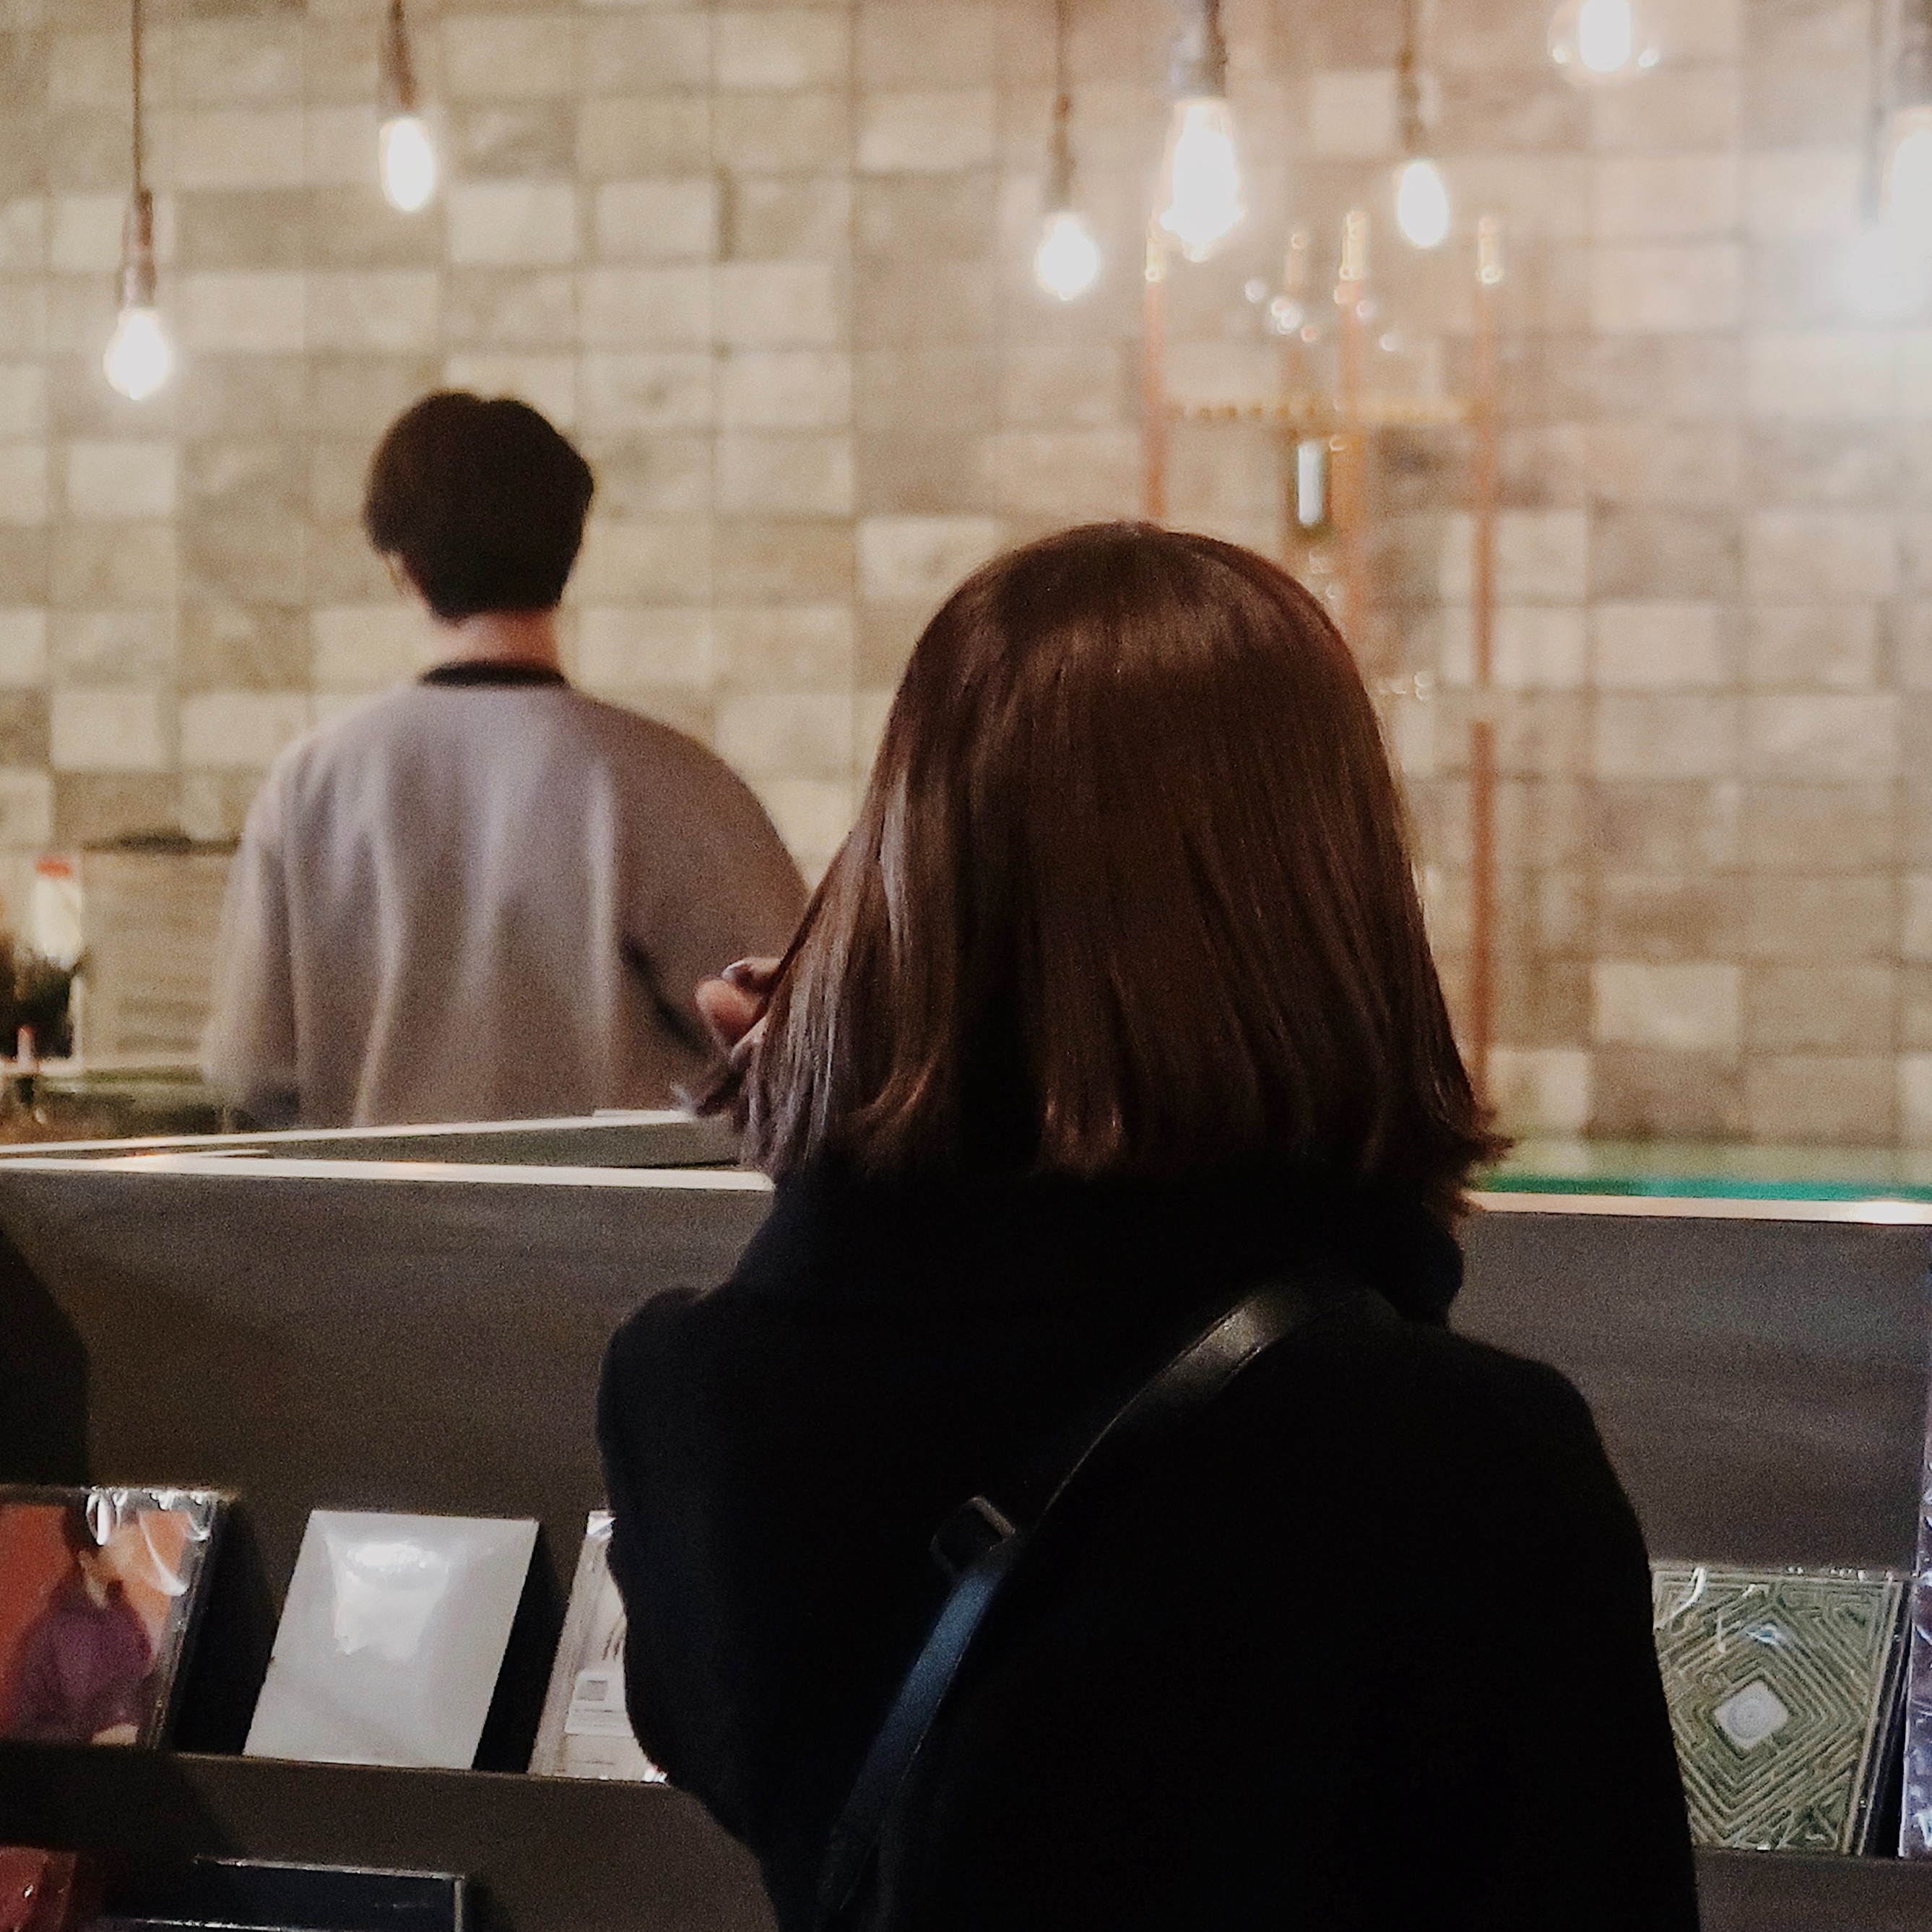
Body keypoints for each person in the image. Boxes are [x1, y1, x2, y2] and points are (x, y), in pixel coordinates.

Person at [597, 524, 1699, 1931]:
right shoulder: (1465, 1467)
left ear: (904, 871)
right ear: (1330, 893)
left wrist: (833, 1129)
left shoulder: (694, 1403)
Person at [204, 391, 805, 1128]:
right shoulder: (680, 785)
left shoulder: (309, 786)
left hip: (366, 1201)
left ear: (402, 565)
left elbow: (250, 1068)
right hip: (616, 1206)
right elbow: (802, 1039)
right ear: (570, 550)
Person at [1, 1504, 154, 1745]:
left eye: (134, 1541)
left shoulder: (129, 1620)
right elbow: (22, 1729)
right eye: (122, 1544)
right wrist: (90, 1741)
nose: (133, 1551)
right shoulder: (49, 1636)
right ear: (86, 1559)